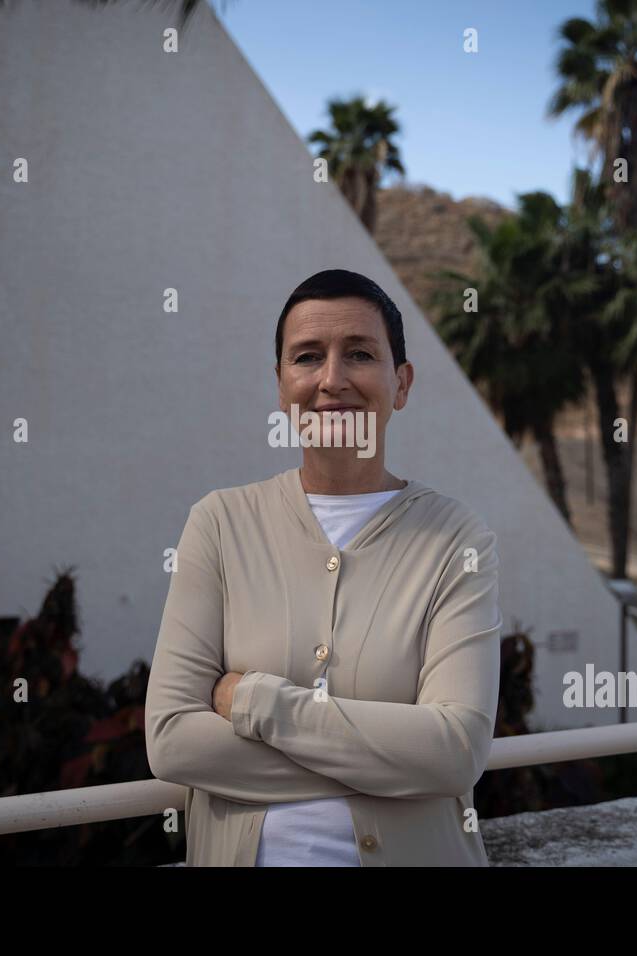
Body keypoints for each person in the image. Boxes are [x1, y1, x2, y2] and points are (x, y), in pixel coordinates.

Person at [144, 268, 502, 866]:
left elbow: (455, 752)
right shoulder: (219, 524)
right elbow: (174, 742)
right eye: (307, 357)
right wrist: (389, 761)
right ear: (281, 385)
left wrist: (254, 702)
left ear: (402, 383)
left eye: (359, 354)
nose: (332, 380)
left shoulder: (456, 538)